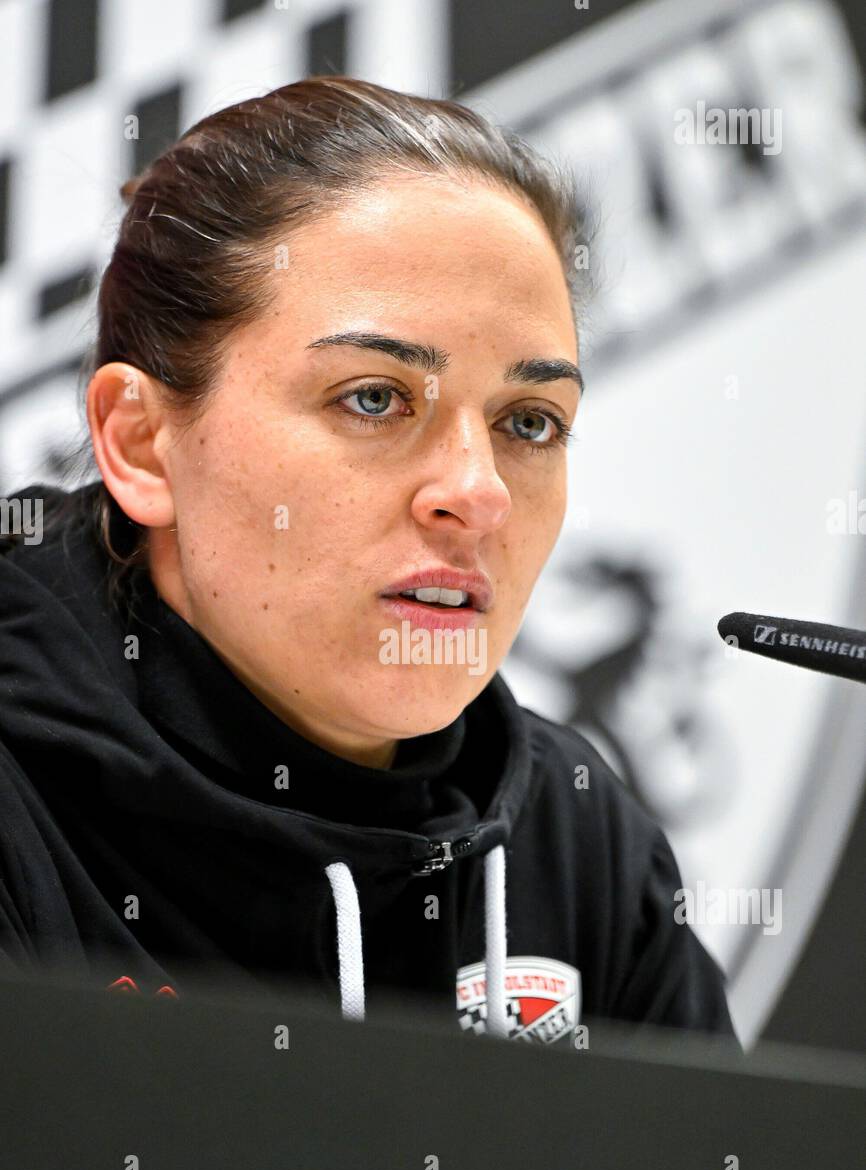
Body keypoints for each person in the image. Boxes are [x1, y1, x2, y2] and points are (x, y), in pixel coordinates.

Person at [0, 76, 737, 1045]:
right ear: (139, 443)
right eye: (375, 398)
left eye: (528, 421)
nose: (477, 492)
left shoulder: (574, 836)